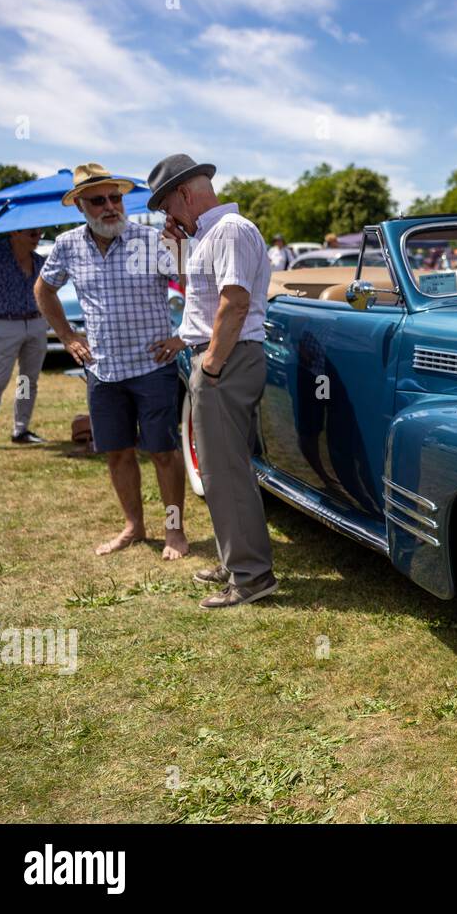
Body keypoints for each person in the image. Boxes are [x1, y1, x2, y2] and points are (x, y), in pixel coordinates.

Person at [35, 163, 189, 559]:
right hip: (103, 370)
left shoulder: (149, 240)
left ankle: (174, 532)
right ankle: (134, 527)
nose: (110, 207)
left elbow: (193, 283)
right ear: (80, 207)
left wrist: (181, 335)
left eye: (115, 198)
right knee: (117, 451)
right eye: (98, 200)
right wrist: (68, 337)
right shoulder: (68, 245)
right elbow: (44, 290)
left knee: (163, 452)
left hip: (153, 366)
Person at [145, 153, 277, 609]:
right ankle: (237, 561)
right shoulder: (213, 235)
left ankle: (251, 576)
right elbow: (203, 300)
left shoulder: (231, 231)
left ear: (184, 194)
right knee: (220, 473)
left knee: (226, 471)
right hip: (225, 358)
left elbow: (234, 302)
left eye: (166, 206)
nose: (168, 216)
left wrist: (212, 365)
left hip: (228, 361)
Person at [0, 227, 48, 452]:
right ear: (15, 232)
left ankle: (20, 430)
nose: (37, 239)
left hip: (35, 324)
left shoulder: (38, 260)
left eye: (40, 235)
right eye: (32, 234)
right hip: (5, 327)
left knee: (27, 380)